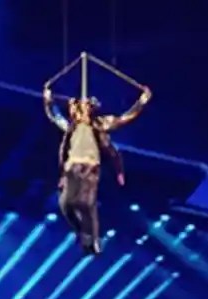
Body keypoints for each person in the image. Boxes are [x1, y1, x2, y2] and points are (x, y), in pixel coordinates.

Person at [43, 84, 152, 255]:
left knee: (86, 204)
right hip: (73, 167)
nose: (82, 110)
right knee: (66, 204)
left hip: (90, 166)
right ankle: (82, 233)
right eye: (79, 108)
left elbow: (125, 118)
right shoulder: (70, 127)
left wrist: (142, 102)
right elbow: (55, 116)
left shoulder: (100, 124)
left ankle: (91, 240)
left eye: (86, 107)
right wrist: (48, 101)